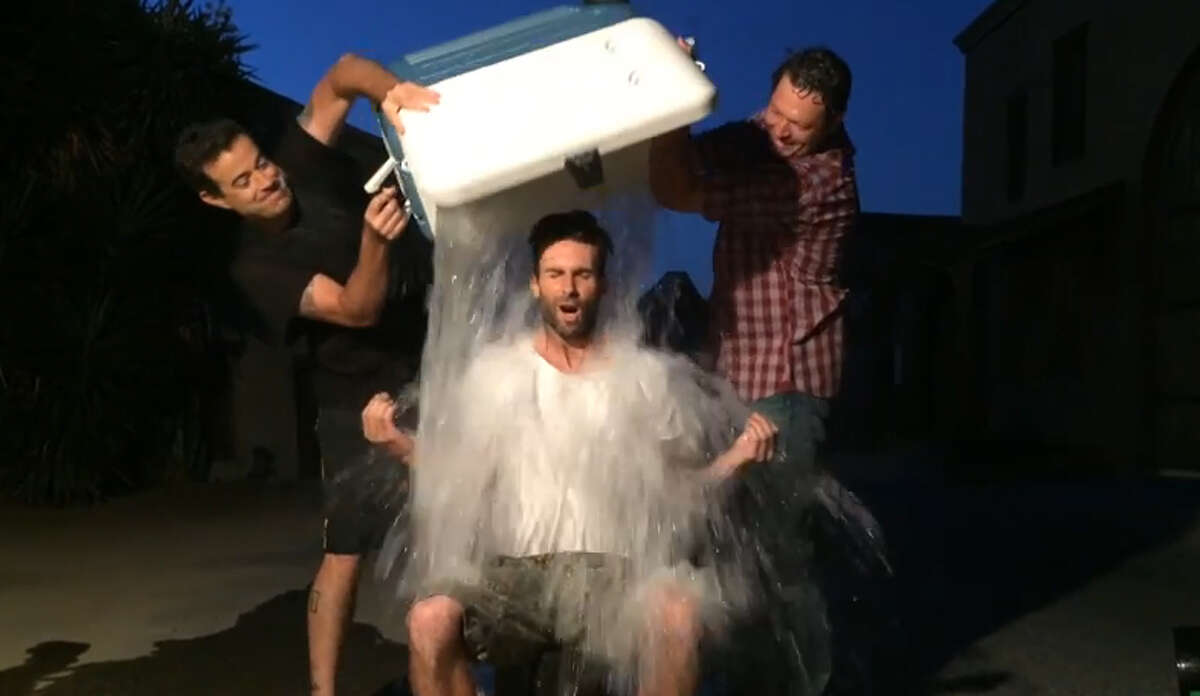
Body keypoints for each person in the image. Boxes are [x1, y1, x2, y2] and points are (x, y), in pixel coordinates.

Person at [395, 211, 778, 696]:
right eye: (555, 274)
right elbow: (457, 485)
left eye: (582, 274)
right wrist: (400, 445)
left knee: (679, 615)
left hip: (615, 575)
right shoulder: (495, 373)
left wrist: (736, 458)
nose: (569, 288)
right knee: (429, 621)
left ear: (603, 284)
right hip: (514, 578)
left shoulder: (645, 377)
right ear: (535, 285)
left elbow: (678, 493)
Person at [173, 54, 439, 695]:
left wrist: (394, 95)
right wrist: (375, 245)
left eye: (260, 161)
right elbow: (355, 307)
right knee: (345, 550)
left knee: (449, 532)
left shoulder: (301, 163)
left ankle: (445, 671)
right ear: (215, 199)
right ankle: (324, 691)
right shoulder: (255, 271)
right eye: (243, 181)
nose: (266, 179)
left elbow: (345, 72)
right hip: (353, 401)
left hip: (431, 373)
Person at [649, 44, 858, 476]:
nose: (778, 130)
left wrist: (671, 96)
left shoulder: (818, 184)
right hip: (733, 371)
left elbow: (676, 191)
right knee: (719, 515)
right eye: (775, 111)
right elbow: (693, 156)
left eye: (797, 126)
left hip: (785, 388)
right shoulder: (767, 131)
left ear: (835, 122)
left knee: (771, 530)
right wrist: (670, 77)